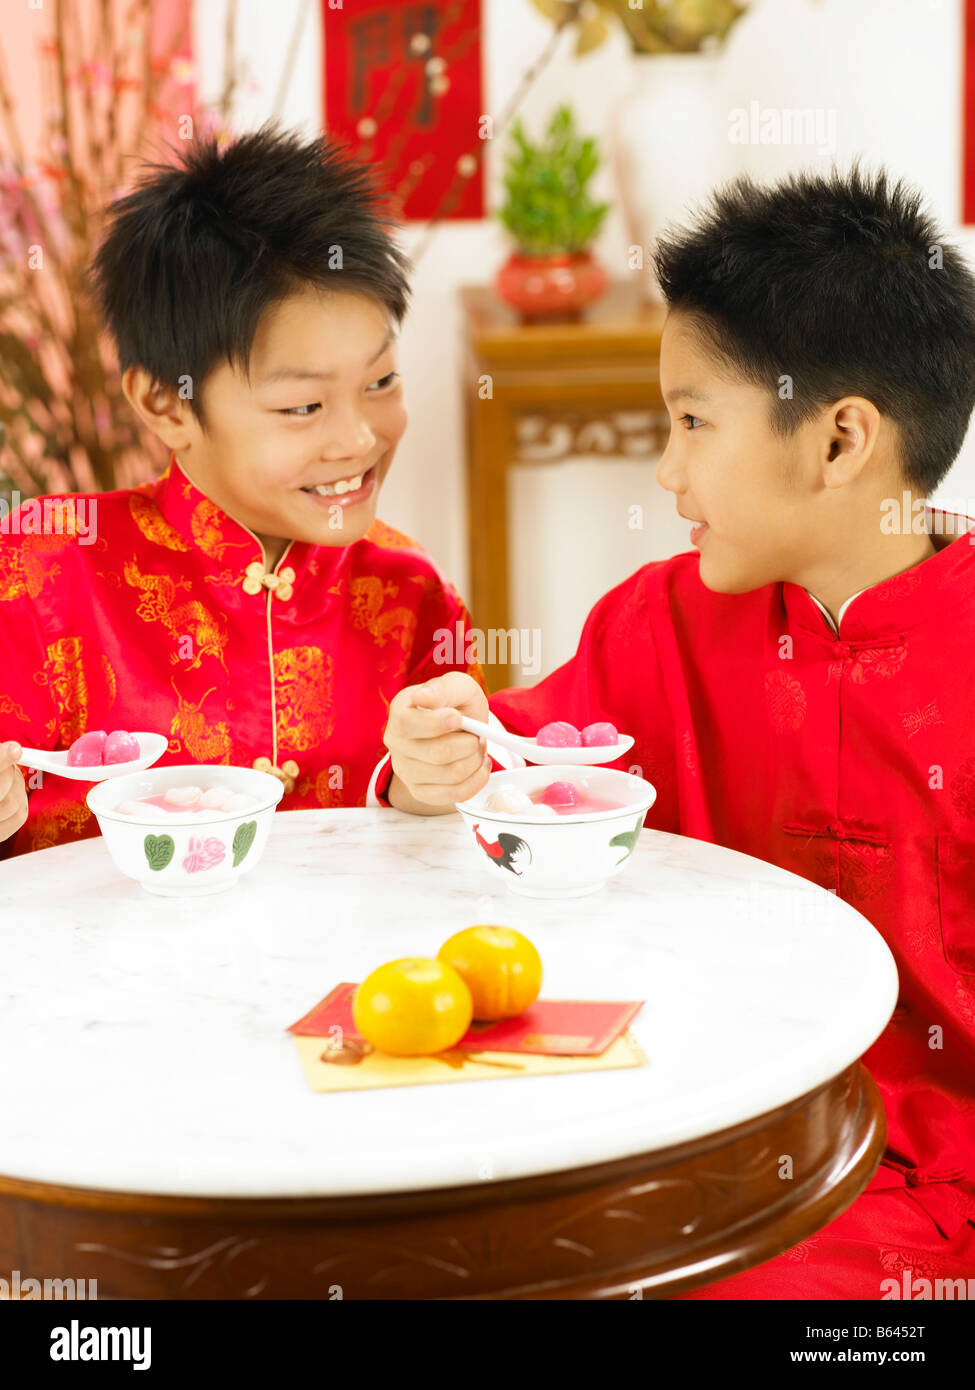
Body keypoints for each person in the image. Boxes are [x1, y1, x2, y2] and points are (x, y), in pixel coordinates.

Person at [380, 162, 975, 1295]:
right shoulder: (662, 620)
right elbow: (513, 762)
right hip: (697, 1138)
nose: (666, 467)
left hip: (933, 1198)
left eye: (694, 421)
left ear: (840, 441)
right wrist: (429, 765)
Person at [0, 121, 490, 858]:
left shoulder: (412, 597)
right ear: (167, 404)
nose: (357, 438)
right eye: (302, 407)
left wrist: (427, 786)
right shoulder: (40, 570)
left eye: (380, 382)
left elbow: (438, 859)